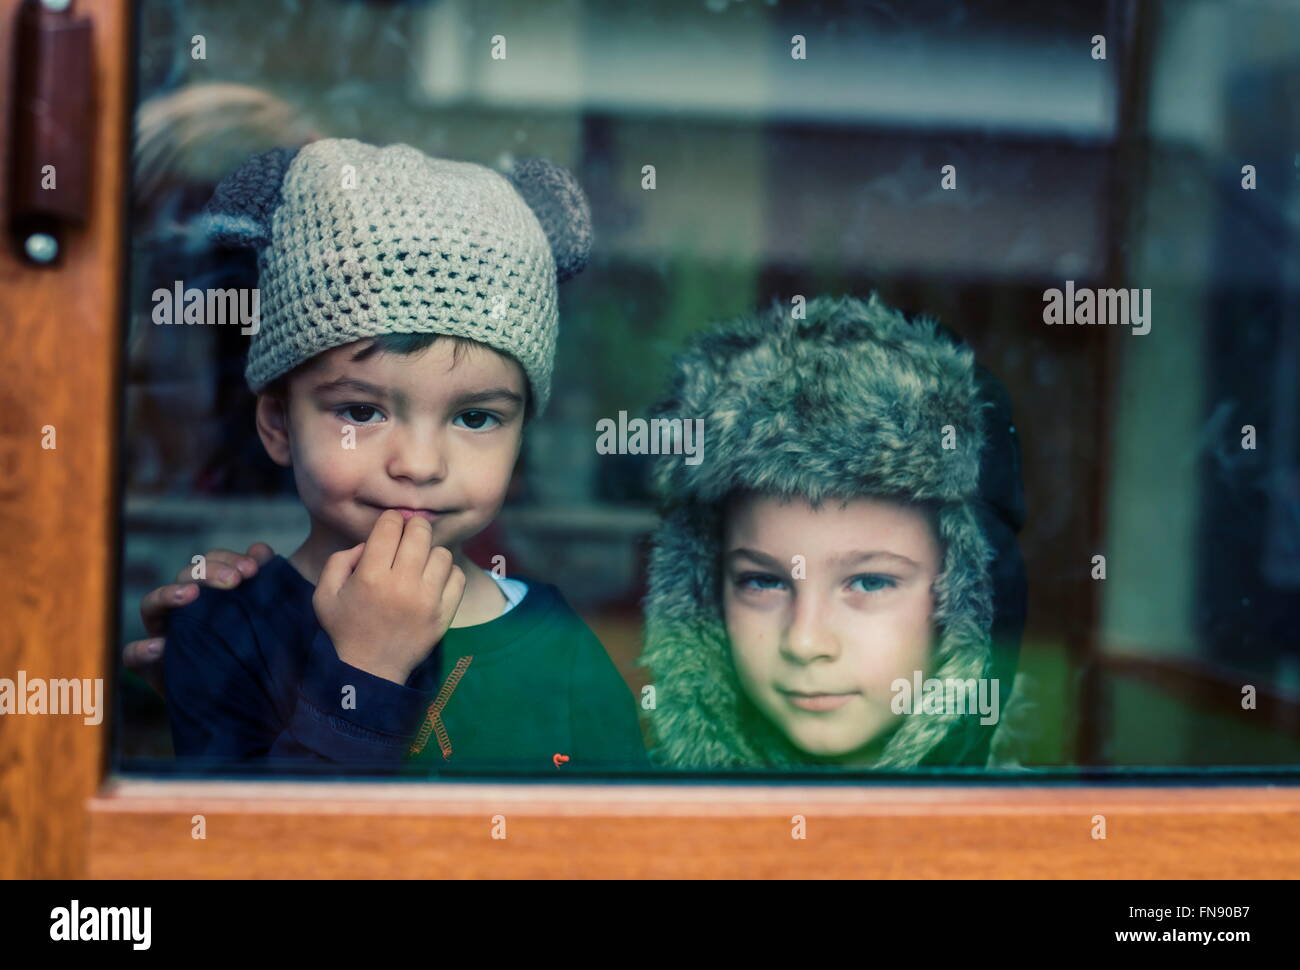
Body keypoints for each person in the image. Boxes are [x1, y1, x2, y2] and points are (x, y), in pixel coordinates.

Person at [156, 137, 647, 773]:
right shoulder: (226, 634)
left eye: (475, 417)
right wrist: (365, 673)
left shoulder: (561, 649)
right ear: (277, 421)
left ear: (521, 432)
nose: (418, 464)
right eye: (361, 412)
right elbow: (247, 857)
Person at [637, 293, 1032, 769]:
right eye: (763, 581)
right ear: (703, 593)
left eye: (870, 581)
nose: (804, 643)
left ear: (973, 607)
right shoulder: (644, 824)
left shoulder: (1036, 835)